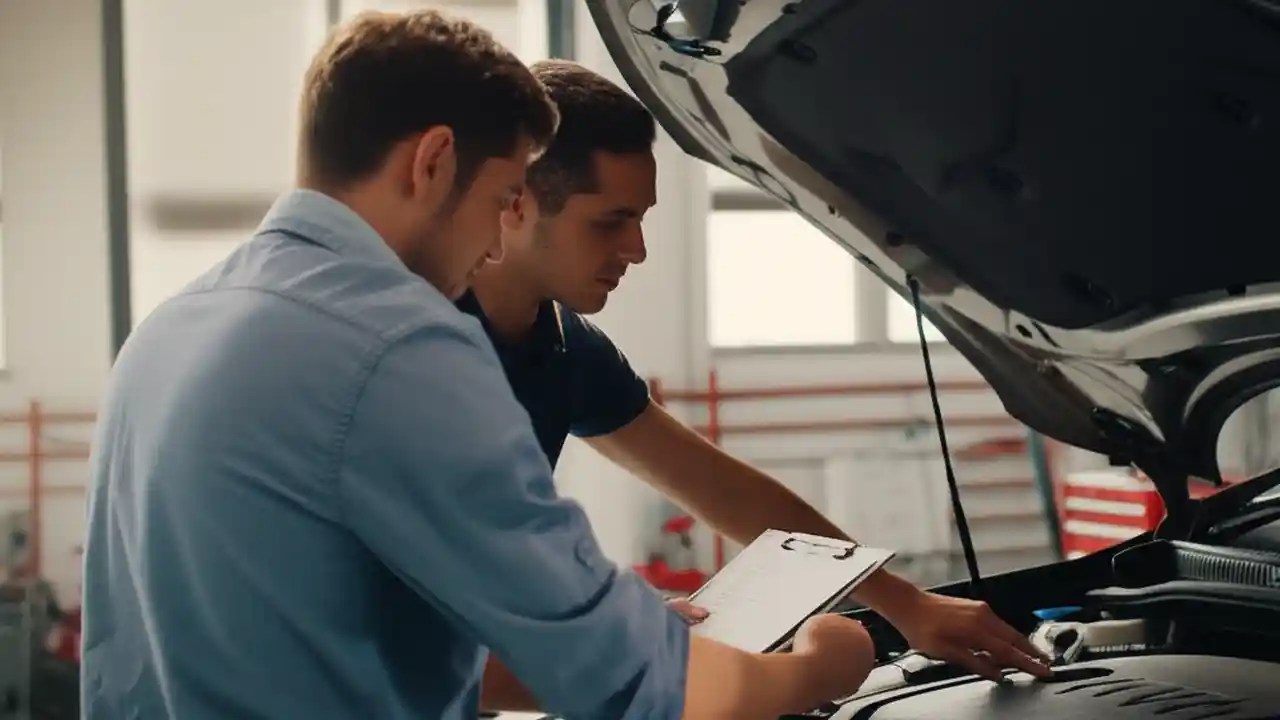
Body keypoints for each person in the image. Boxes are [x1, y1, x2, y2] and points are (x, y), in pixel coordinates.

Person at [79, 10, 879, 720]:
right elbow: (635, 688)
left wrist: (606, 620)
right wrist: (815, 670)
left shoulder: (171, 328)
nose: (498, 241)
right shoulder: (399, 346)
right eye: (501, 198)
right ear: (431, 162)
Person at [460, 59, 1052, 699]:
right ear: (514, 204)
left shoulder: (565, 346)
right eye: (610, 220)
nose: (637, 249)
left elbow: (719, 487)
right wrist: (628, 651)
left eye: (642, 219)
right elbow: (390, 632)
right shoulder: (410, 358)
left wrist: (904, 603)